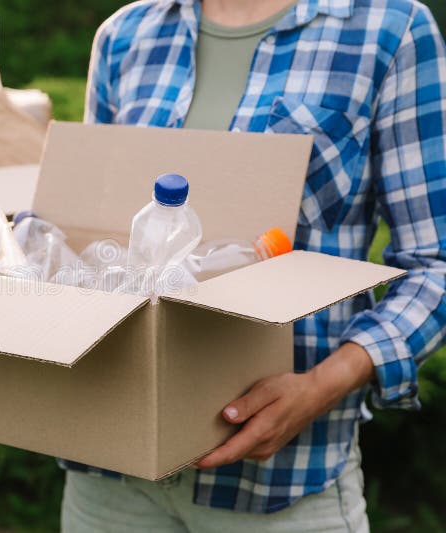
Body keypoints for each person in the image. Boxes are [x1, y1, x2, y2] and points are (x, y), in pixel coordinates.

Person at [62, 0, 446, 531]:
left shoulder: (388, 29)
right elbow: (87, 234)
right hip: (110, 479)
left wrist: (319, 388)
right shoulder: (125, 34)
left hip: (283, 489)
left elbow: (434, 264)